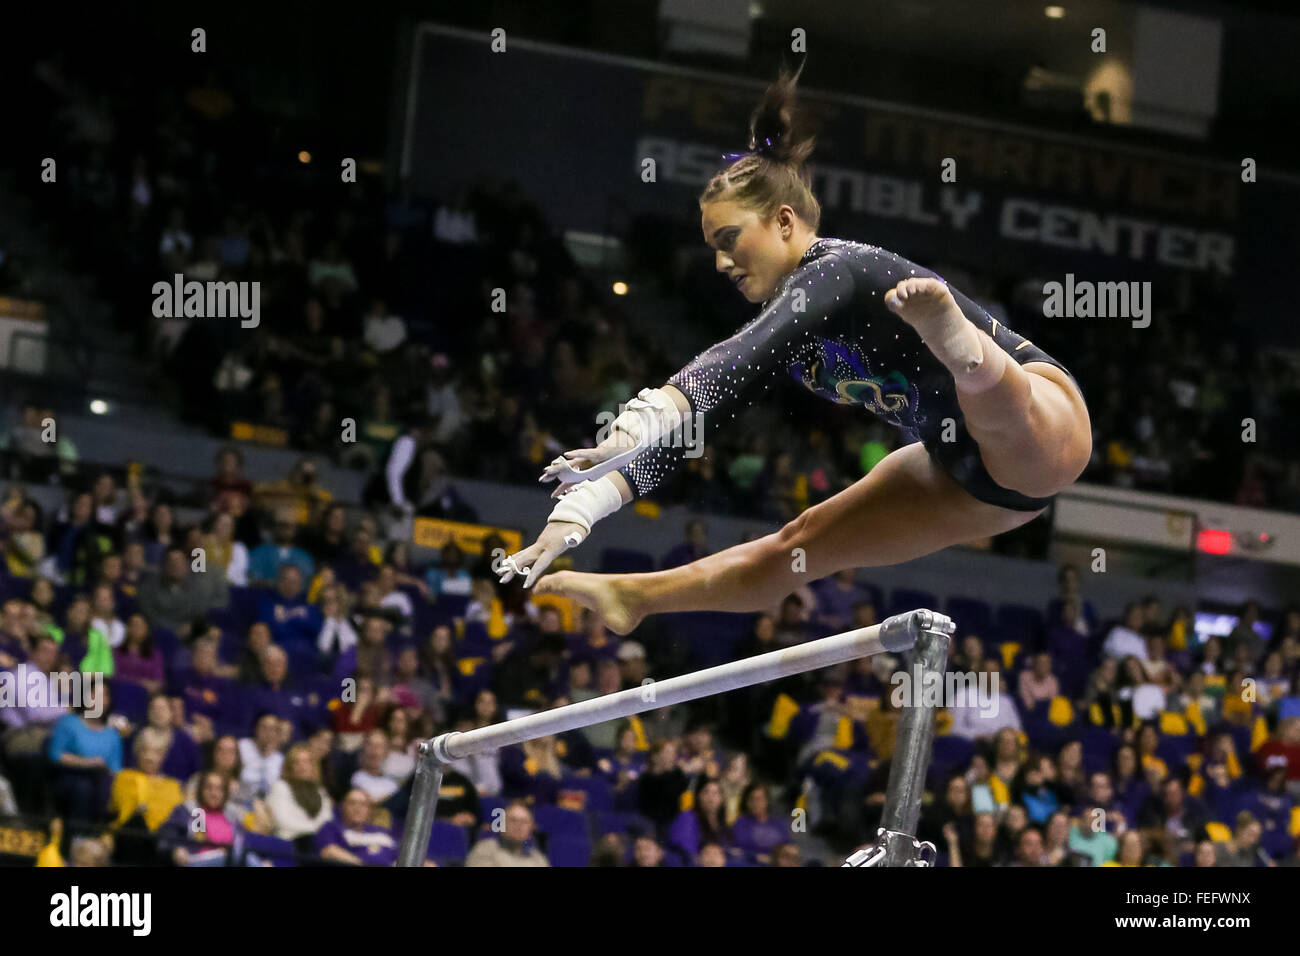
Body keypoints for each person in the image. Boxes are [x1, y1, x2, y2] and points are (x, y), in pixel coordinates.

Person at [498, 66, 1091, 637]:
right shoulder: (789, 328)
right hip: (970, 483)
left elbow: (736, 355)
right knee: (796, 546)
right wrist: (583, 509)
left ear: (784, 221)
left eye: (728, 239)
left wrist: (638, 421)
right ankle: (634, 598)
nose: (720, 262)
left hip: (1046, 428)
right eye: (712, 247)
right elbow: (704, 418)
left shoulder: (835, 270)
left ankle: (965, 349)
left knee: (1000, 411)